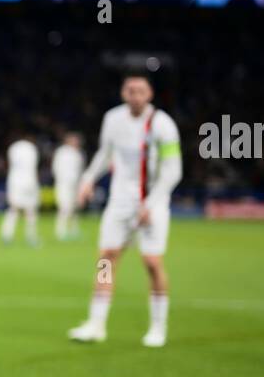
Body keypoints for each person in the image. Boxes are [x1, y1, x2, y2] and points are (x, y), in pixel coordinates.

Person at [68, 75, 182, 347]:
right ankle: (96, 325)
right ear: (123, 93)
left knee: (152, 263)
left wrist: (151, 204)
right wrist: (87, 180)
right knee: (106, 260)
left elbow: (173, 171)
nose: (135, 95)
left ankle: (158, 327)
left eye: (140, 90)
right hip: (119, 202)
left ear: (150, 94)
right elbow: (105, 155)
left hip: (151, 202)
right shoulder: (113, 119)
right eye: (130, 90)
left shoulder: (162, 125)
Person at [1, 132, 40, 246]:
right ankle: (31, 237)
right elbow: (33, 167)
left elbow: (10, 165)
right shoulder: (32, 148)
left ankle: (6, 236)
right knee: (31, 211)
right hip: (29, 182)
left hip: (15, 182)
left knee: (13, 209)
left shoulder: (13, 148)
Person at [51, 131, 85, 241]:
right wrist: (60, 180)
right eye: (74, 140)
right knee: (64, 207)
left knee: (74, 208)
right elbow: (55, 168)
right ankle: (60, 231)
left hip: (76, 184)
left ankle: (74, 230)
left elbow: (80, 170)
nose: (76, 142)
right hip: (63, 184)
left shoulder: (79, 153)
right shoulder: (61, 152)